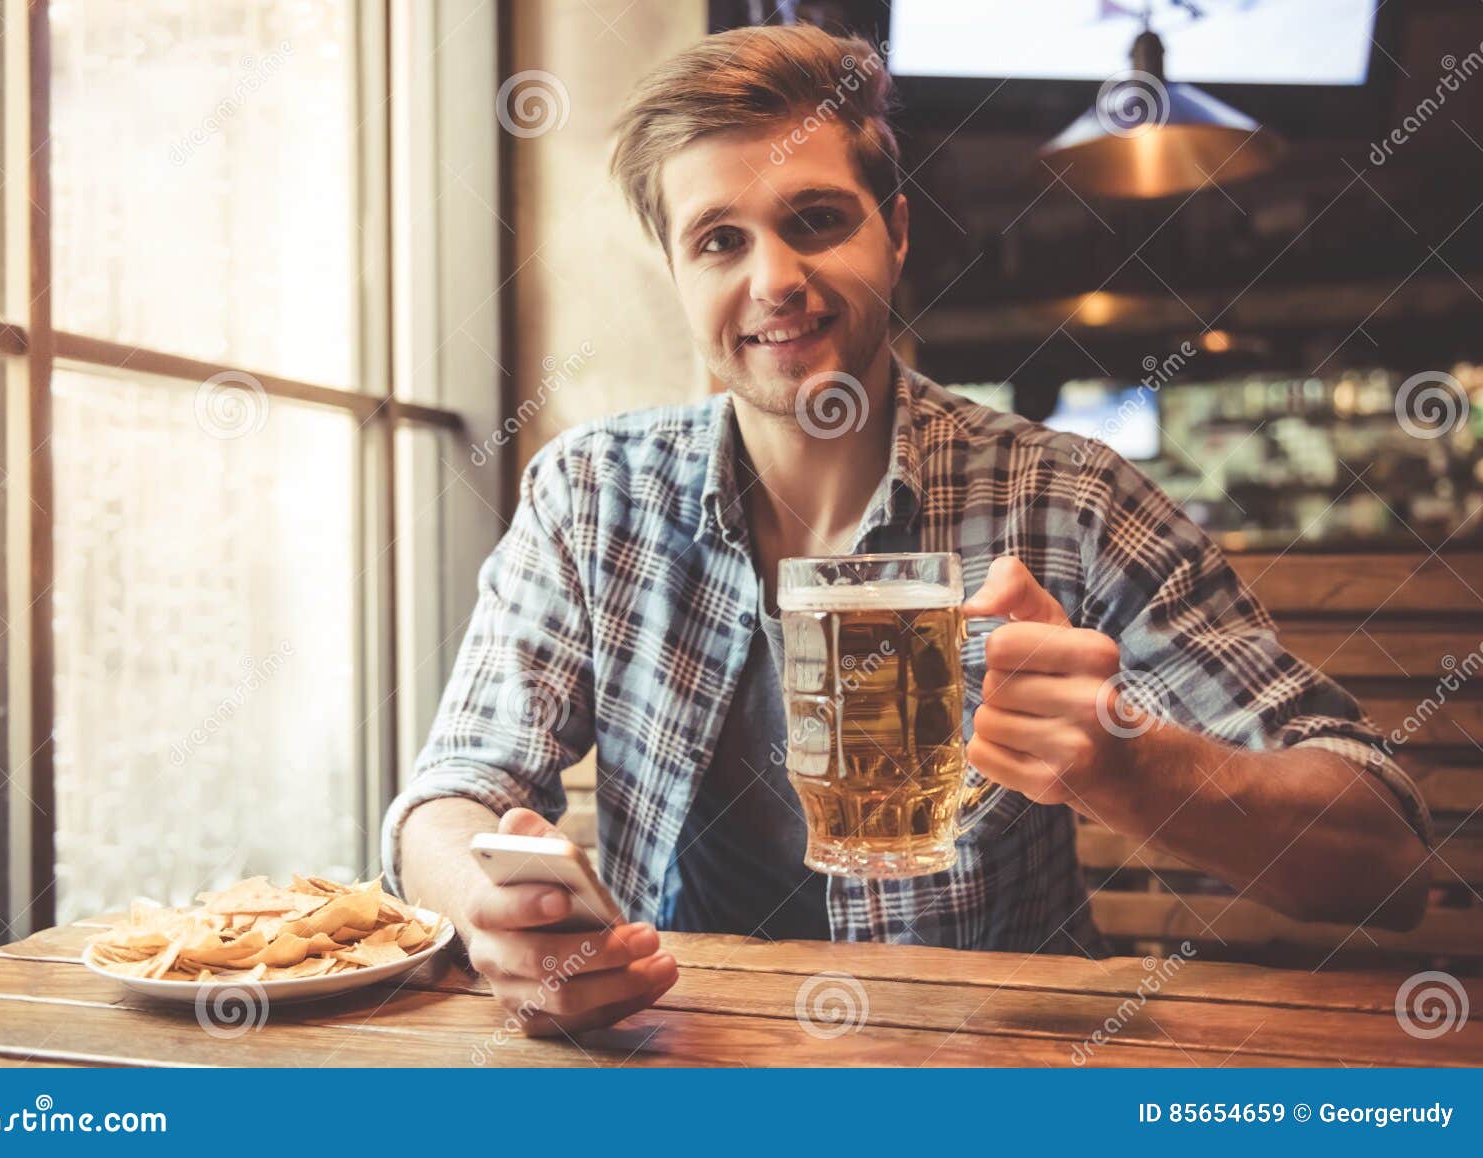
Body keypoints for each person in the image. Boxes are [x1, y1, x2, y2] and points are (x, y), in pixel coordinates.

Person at [381, 23, 1432, 1036]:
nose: (774, 280)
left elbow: (1383, 856)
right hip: (680, 1052)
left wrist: (1128, 764)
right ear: (676, 273)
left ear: (896, 230)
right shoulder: (592, 494)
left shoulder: (1064, 497)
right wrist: (485, 915)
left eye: (816, 219)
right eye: (718, 240)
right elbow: (451, 792)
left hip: (993, 1065)